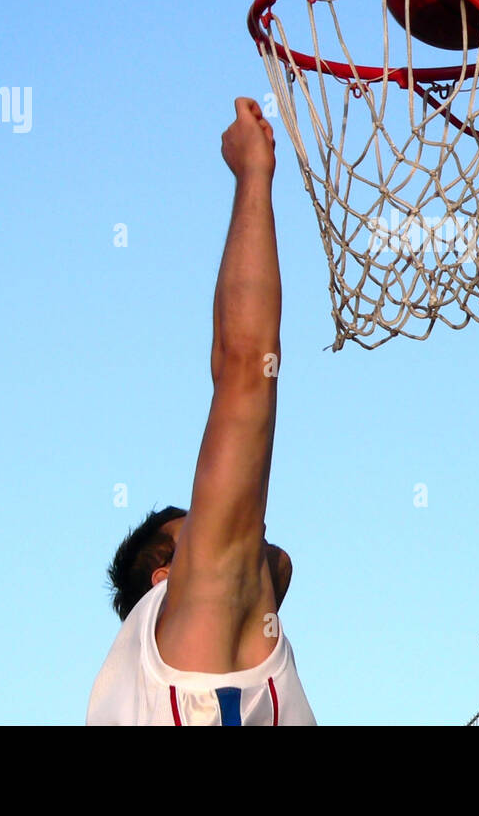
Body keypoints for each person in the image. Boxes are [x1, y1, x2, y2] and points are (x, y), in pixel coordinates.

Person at [87, 98, 315, 726]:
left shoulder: (176, 654)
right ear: (165, 578)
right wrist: (252, 177)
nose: (232, 522)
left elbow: (239, 368)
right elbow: (243, 368)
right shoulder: (189, 649)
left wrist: (251, 180)